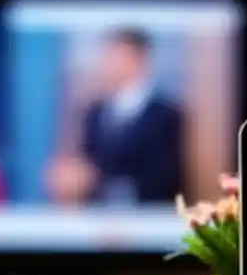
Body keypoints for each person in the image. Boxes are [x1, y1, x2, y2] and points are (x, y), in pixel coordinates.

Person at [46, 29, 184, 205]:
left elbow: (164, 176)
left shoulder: (165, 115)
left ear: (141, 60)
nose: (110, 64)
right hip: (99, 215)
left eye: (118, 57)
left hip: (147, 215)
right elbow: (87, 158)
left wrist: (96, 177)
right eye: (108, 57)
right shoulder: (94, 112)